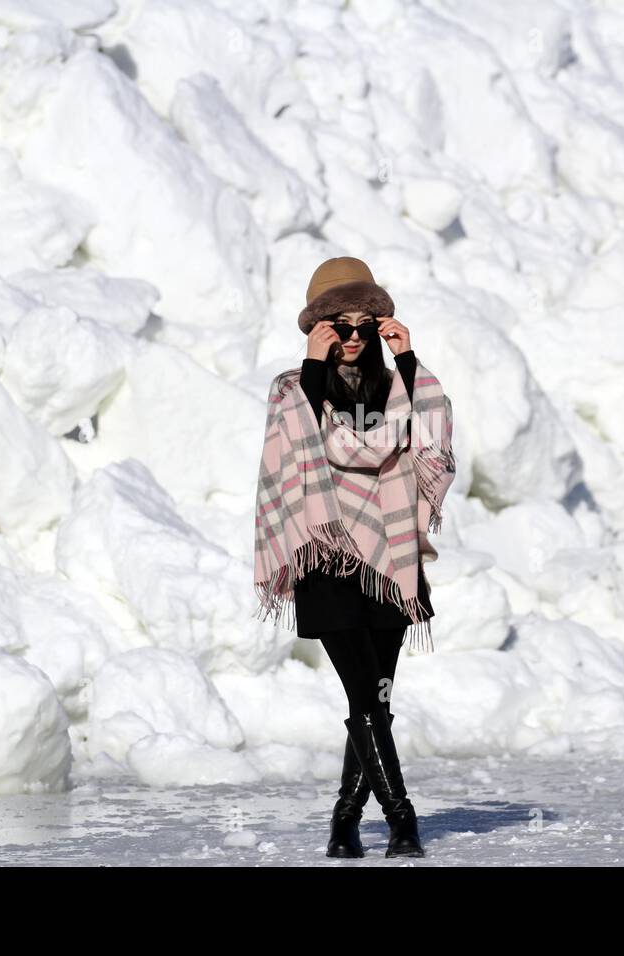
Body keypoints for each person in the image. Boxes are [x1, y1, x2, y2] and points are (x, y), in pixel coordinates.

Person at [252, 256, 457, 859]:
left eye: (365, 325)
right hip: (329, 560)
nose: (353, 338)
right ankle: (402, 821)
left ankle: (344, 823)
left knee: (377, 697)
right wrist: (316, 362)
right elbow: (295, 443)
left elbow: (434, 444)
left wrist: (408, 360)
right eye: (338, 326)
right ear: (316, 328)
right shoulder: (294, 386)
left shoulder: (399, 385)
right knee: (367, 694)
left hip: (391, 563)